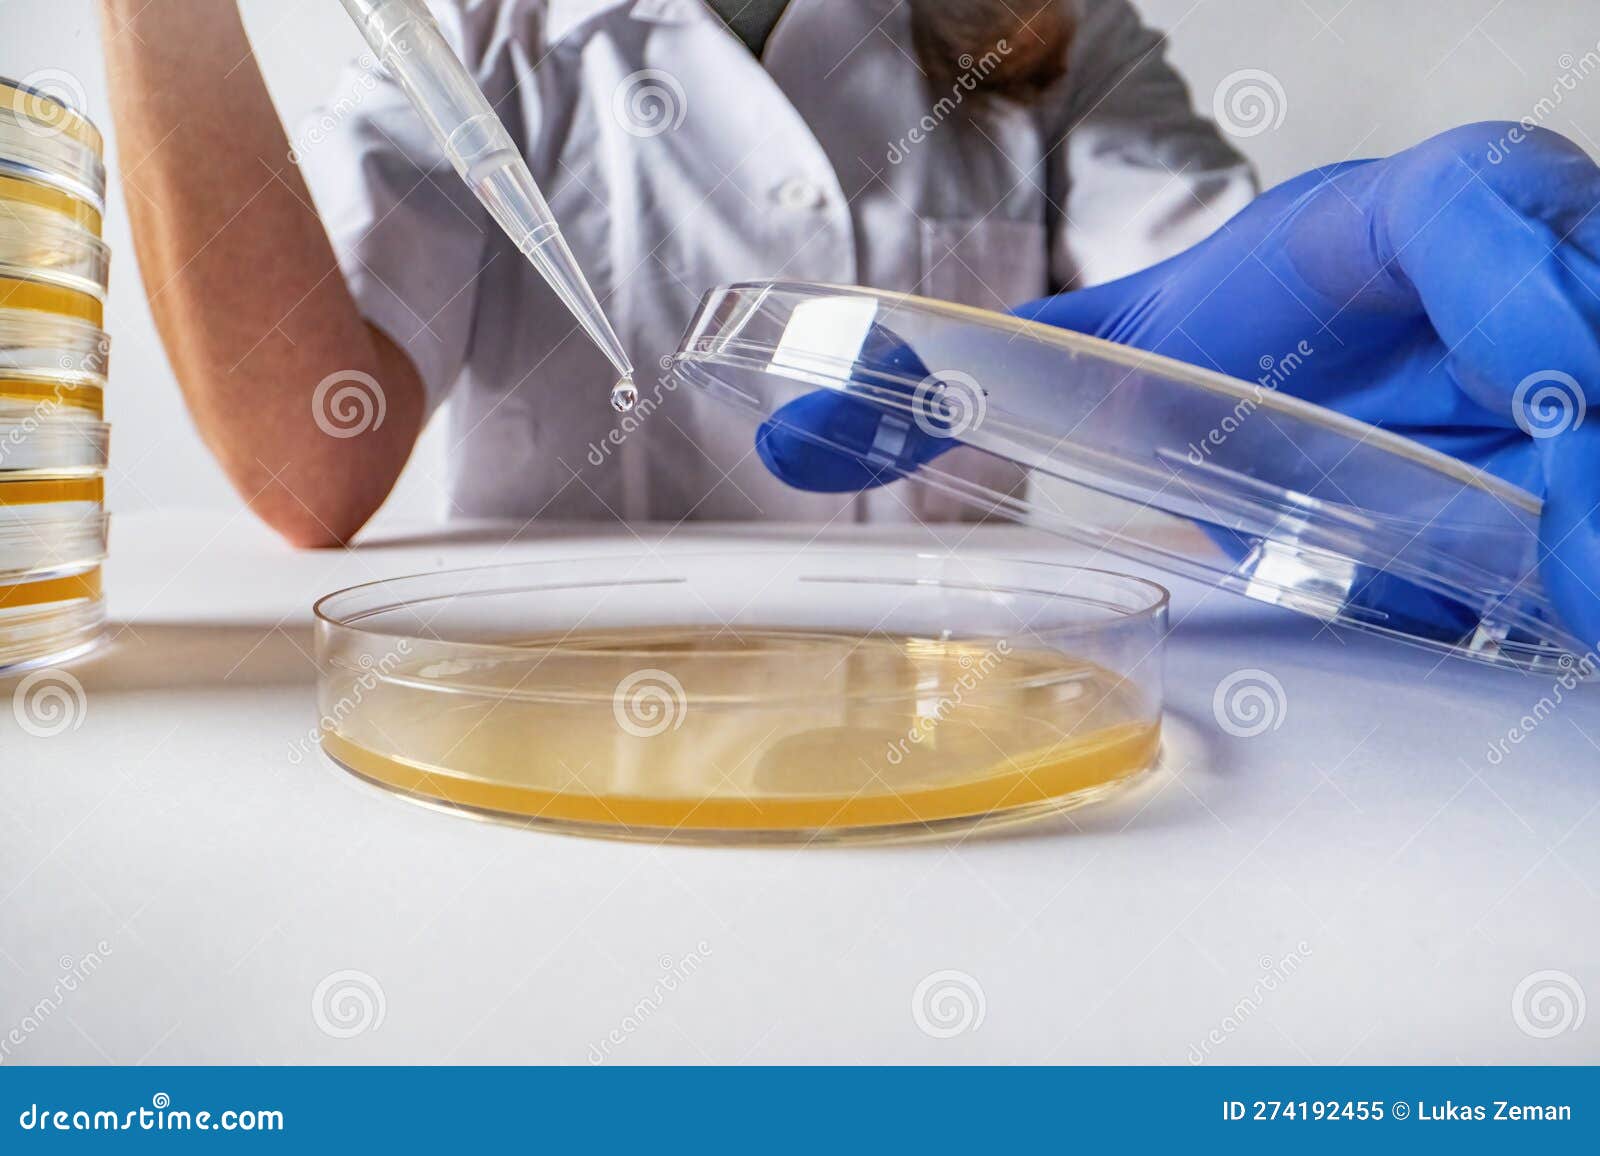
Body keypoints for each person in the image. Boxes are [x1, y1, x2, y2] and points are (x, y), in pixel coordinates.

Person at [100, 0, 1254, 541]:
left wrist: (1314, 312)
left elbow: (1248, 364)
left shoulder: (1043, 27)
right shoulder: (482, 31)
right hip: (570, 735)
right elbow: (311, 460)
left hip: (947, 724)